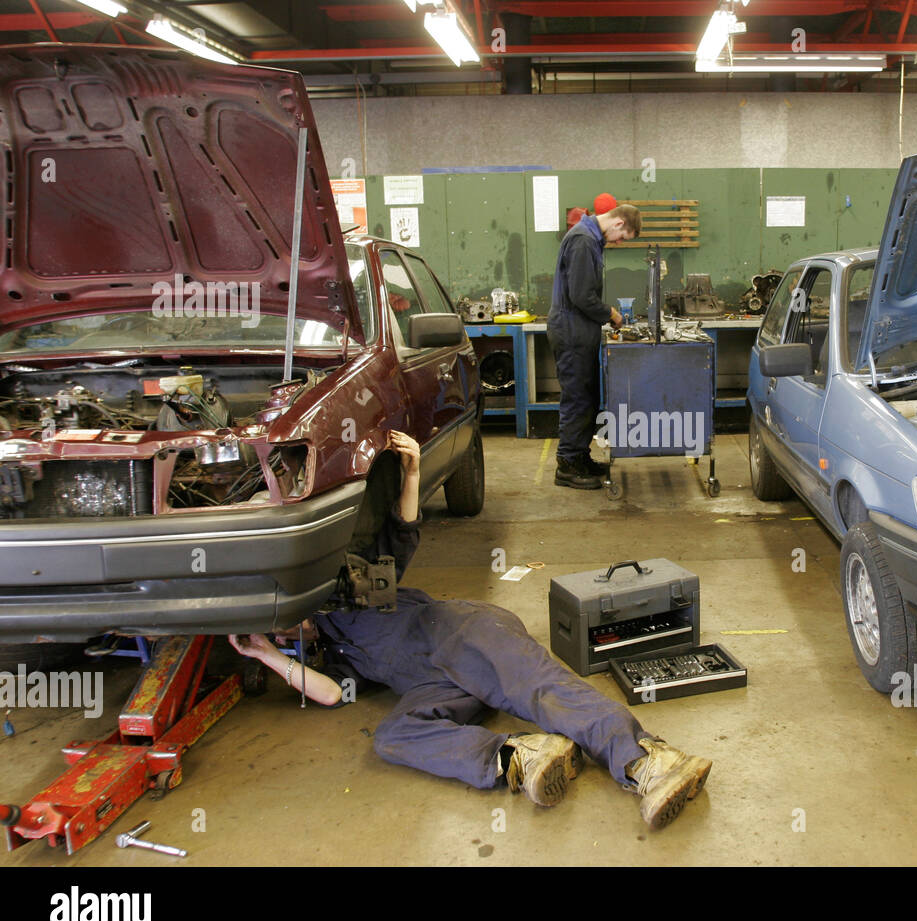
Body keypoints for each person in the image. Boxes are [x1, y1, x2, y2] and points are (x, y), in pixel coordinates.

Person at [231, 431, 710, 828]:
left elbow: (399, 541)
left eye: (285, 625)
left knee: (540, 692)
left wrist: (413, 473)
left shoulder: (346, 591)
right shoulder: (339, 653)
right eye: (284, 635)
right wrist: (266, 657)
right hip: (434, 684)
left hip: (461, 634)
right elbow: (332, 696)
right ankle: (523, 755)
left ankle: (649, 761)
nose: (290, 633)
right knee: (393, 737)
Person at [546, 203, 641, 489]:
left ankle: (580, 457)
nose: (619, 242)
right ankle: (567, 465)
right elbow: (581, 296)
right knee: (577, 399)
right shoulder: (583, 241)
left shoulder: (590, 238)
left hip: (579, 330)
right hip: (571, 330)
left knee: (586, 398)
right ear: (619, 224)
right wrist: (611, 314)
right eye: (623, 237)